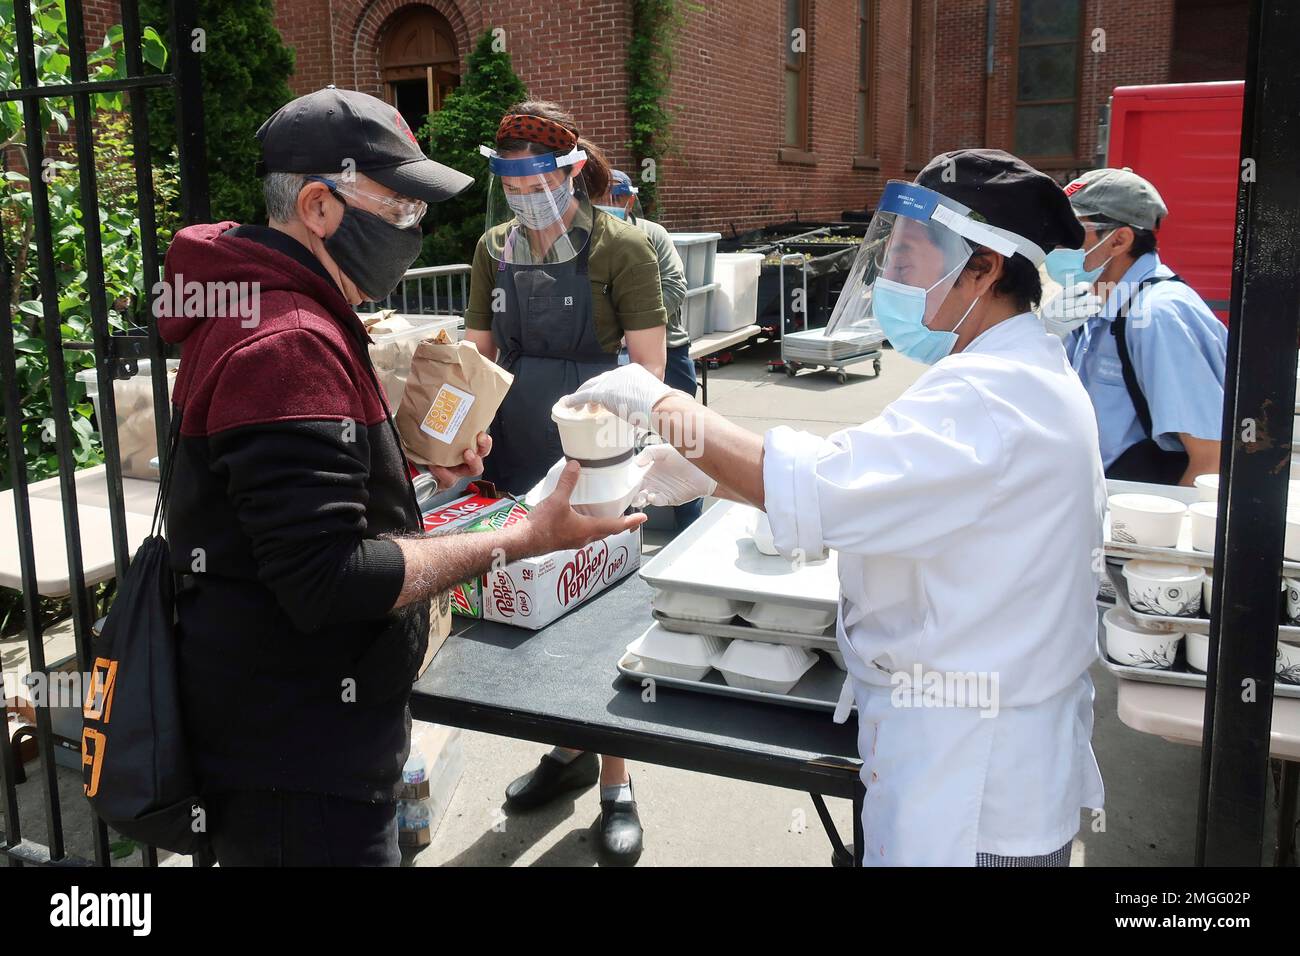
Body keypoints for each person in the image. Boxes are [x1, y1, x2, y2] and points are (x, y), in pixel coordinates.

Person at [570, 149, 1108, 867]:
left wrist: (660, 403)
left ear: (984, 269)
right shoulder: (1007, 373)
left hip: (972, 782)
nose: (891, 278)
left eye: (911, 259)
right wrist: (708, 478)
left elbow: (821, 486)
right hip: (967, 743)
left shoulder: (990, 398)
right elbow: (878, 484)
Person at [158, 87, 643, 866]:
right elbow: (329, 576)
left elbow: (295, 499)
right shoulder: (286, 342)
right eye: (401, 206)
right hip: (302, 757)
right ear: (319, 205)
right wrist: (521, 538)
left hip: (284, 734)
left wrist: (415, 469)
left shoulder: (276, 309)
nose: (414, 227)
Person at [464, 103, 668, 865]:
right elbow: (477, 357)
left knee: (604, 612)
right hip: (517, 443)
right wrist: (457, 431)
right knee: (536, 600)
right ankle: (565, 750)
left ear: (570, 172)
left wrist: (592, 418)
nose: (522, 197)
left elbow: (649, 370)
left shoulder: (624, 247)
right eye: (509, 182)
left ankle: (616, 778)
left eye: (533, 180)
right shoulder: (493, 248)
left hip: (603, 447)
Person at [1040, 167, 1227, 485]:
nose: (1054, 244)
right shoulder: (1091, 305)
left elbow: (1210, 460)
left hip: (1137, 517)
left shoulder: (1159, 315)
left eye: (1070, 232)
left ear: (1119, 240)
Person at [600, 168, 702, 531]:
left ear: (629, 199)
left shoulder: (652, 234)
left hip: (667, 348)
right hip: (611, 354)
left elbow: (676, 285)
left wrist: (636, 325)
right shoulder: (590, 239)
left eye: (616, 198)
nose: (609, 206)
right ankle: (624, 527)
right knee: (613, 441)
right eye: (601, 199)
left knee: (683, 434)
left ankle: (690, 520)